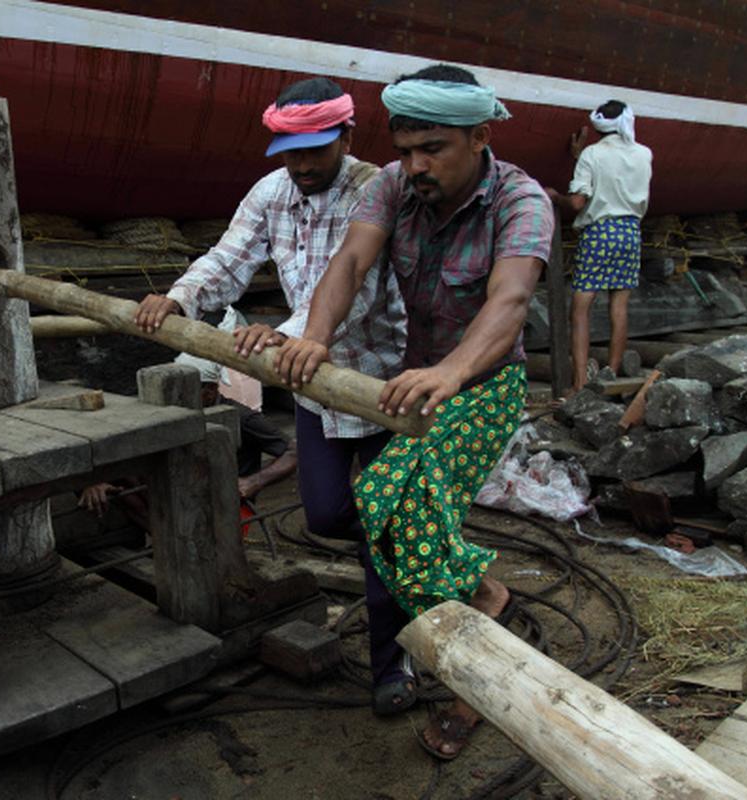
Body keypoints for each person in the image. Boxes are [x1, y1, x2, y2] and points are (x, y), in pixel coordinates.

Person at [274, 65, 554, 756]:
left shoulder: (522, 200)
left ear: (480, 137)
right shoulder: (394, 188)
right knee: (384, 515)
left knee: (394, 496)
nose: (415, 165)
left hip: (481, 383)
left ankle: (474, 683)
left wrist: (452, 371)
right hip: (415, 376)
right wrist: (315, 336)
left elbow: (510, 302)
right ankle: (484, 598)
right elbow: (348, 263)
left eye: (433, 149)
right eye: (405, 150)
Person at [133, 76, 406, 544]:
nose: (300, 164)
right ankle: (396, 553)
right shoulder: (271, 191)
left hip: (379, 379)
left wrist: (289, 334)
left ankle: (405, 581)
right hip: (310, 385)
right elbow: (228, 258)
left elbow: (358, 287)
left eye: (315, 150)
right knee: (324, 515)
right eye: (290, 151)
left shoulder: (373, 190)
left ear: (347, 138)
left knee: (393, 509)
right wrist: (179, 297)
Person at [78, 352, 297, 525]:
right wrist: (95, 480)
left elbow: (297, 450)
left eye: (185, 389)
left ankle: (179, 545)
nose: (175, 395)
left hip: (229, 507)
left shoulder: (242, 417)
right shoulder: (179, 412)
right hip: (190, 494)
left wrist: (253, 482)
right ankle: (171, 542)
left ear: (210, 391)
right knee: (113, 482)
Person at [545, 101, 652, 390]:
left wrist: (556, 197)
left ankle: (580, 382)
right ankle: (611, 376)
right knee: (619, 306)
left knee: (581, 308)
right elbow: (616, 177)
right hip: (630, 232)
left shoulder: (592, 155)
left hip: (600, 233)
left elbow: (578, 203)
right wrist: (581, 158)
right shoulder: (644, 153)